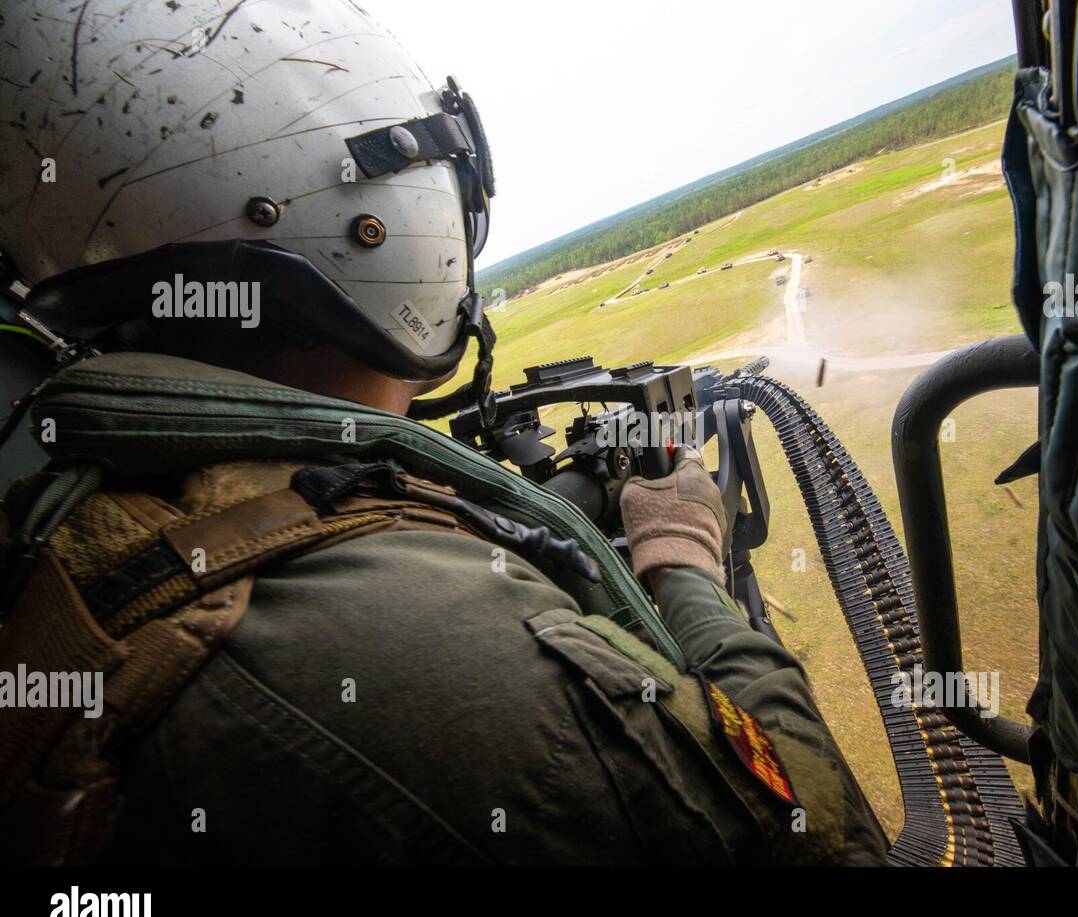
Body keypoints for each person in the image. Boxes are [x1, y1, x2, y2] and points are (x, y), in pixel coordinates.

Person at [0, 0, 887, 865]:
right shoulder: (433, 652)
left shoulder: (80, 530)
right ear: (390, 212)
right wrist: (683, 558)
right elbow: (816, 828)